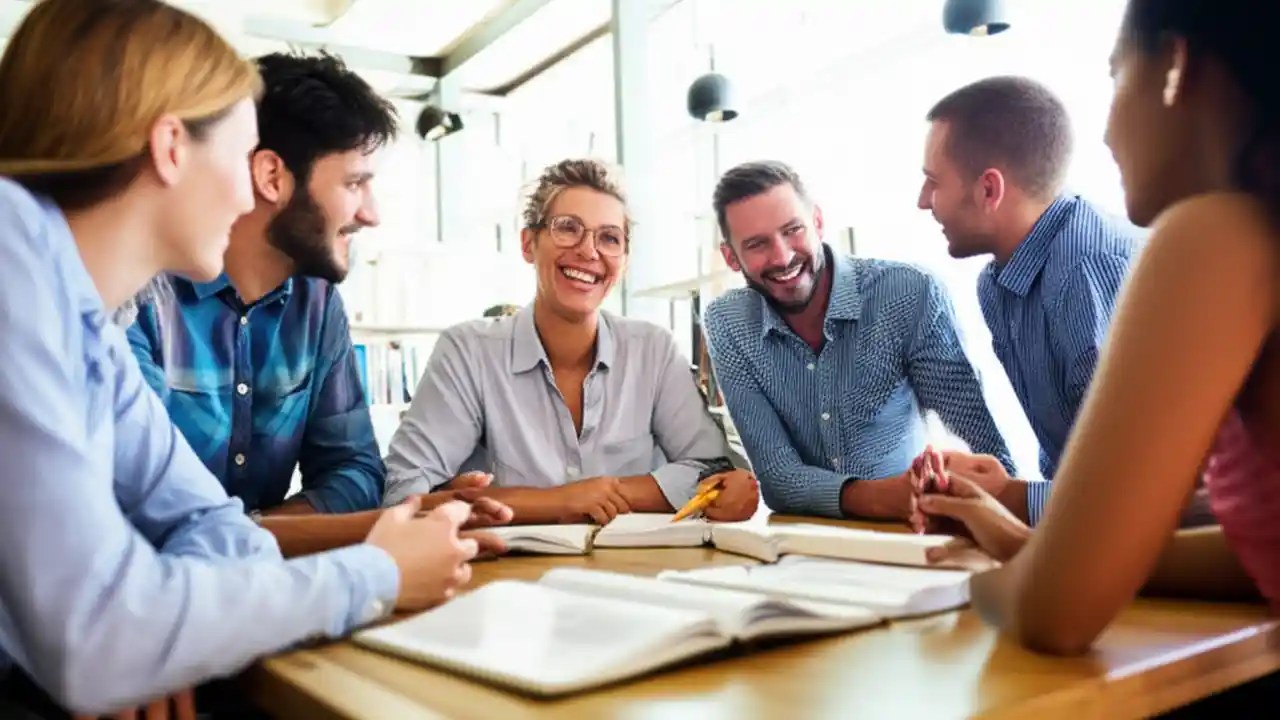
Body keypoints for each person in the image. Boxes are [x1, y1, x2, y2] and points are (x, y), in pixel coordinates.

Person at [0, 1, 481, 716]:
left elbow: (206, 522)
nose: (246, 192)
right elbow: (102, 635)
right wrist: (378, 569)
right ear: (170, 147)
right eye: (241, 153)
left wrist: (175, 623)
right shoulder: (13, 255)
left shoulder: (95, 317)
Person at [916, 0, 1280, 656]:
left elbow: (1053, 616)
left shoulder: (1214, 239)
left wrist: (937, 604)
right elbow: (1253, 553)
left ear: (1177, 65)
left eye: (1115, 78)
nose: (1106, 135)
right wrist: (1031, 544)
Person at [125, 52, 511, 557]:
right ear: (272, 178)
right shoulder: (138, 299)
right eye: (354, 183)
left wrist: (261, 530)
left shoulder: (318, 302)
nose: (371, 214)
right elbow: (149, 521)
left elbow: (354, 475)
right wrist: (383, 527)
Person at [383, 158, 760, 524]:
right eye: (567, 228)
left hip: (635, 572)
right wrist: (558, 501)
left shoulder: (653, 350)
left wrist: (594, 494)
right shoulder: (467, 352)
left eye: (609, 238)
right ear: (529, 243)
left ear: (624, 262)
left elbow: (712, 473)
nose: (588, 250)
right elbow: (404, 493)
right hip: (508, 576)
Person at [700, 160, 1014, 524]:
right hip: (804, 543)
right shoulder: (727, 323)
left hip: (912, 533)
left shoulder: (909, 293)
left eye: (793, 230)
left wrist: (945, 489)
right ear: (730, 258)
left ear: (817, 222)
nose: (782, 256)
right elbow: (778, 478)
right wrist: (887, 497)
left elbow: (990, 456)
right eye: (757, 244)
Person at [916, 76, 1140, 526]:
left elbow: (1136, 487)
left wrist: (1006, 499)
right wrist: (995, 491)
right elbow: (1077, 464)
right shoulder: (997, 285)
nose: (923, 202)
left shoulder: (1086, 271)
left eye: (932, 182)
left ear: (988, 190)